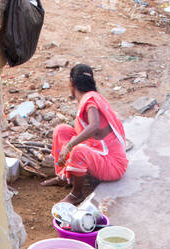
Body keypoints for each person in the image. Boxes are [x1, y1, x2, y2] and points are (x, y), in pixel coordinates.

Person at [44, 63, 128, 205]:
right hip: (99, 152)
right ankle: (64, 176)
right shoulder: (91, 98)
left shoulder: (90, 99)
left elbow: (94, 126)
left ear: (71, 83)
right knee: (61, 130)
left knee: (78, 150)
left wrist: (69, 145)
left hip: (112, 165)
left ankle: (77, 194)